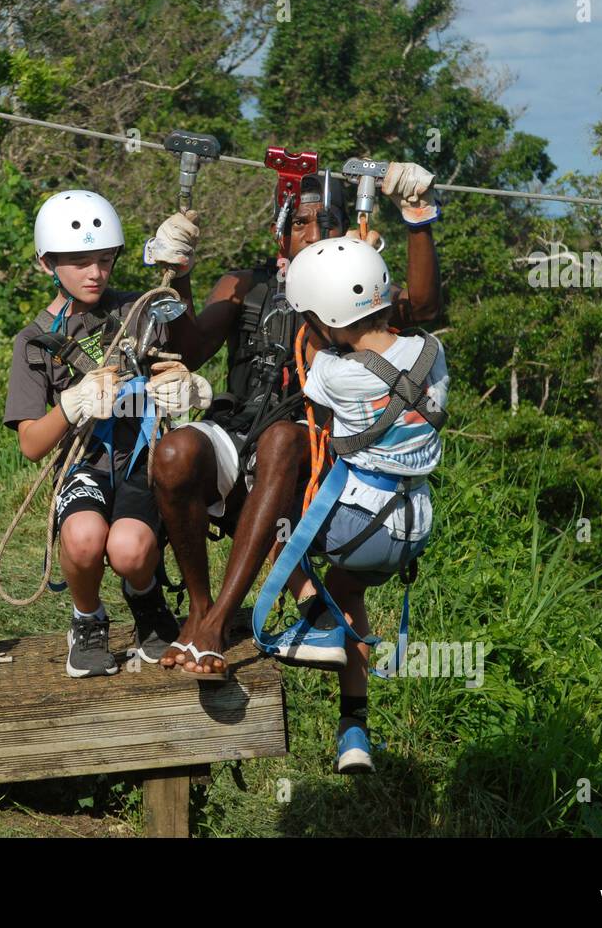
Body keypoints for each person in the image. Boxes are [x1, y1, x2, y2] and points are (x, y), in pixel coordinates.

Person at [154, 163, 442, 678]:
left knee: (283, 440)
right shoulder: (246, 285)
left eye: (326, 222)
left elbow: (420, 306)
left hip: (312, 455)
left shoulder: (356, 292)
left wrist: (417, 219)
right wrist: (180, 277)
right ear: (279, 233)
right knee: (174, 452)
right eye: (300, 223)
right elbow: (191, 349)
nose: (313, 235)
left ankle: (219, 623)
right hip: (239, 434)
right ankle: (200, 609)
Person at [3, 190, 211, 677]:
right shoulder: (34, 343)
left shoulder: (140, 312)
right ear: (46, 264)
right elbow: (32, 444)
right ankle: (87, 618)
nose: (95, 273)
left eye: (104, 260)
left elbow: (184, 344)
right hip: (84, 466)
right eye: (79, 262)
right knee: (83, 537)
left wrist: (181, 277)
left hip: (141, 460)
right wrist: (70, 405)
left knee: (130, 547)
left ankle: (146, 602)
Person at [272, 234, 449, 773]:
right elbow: (382, 329)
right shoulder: (433, 352)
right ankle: (354, 728)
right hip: (412, 527)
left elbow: (311, 363)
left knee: (266, 524)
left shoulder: (334, 372)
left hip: (358, 523)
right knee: (353, 592)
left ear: (324, 319)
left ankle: (314, 613)